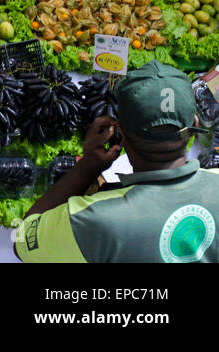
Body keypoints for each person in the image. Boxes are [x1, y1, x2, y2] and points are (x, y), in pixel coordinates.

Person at [16, 62, 219, 262]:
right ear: (195, 125)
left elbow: (23, 241)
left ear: (119, 132)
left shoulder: (92, 220)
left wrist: (87, 168)